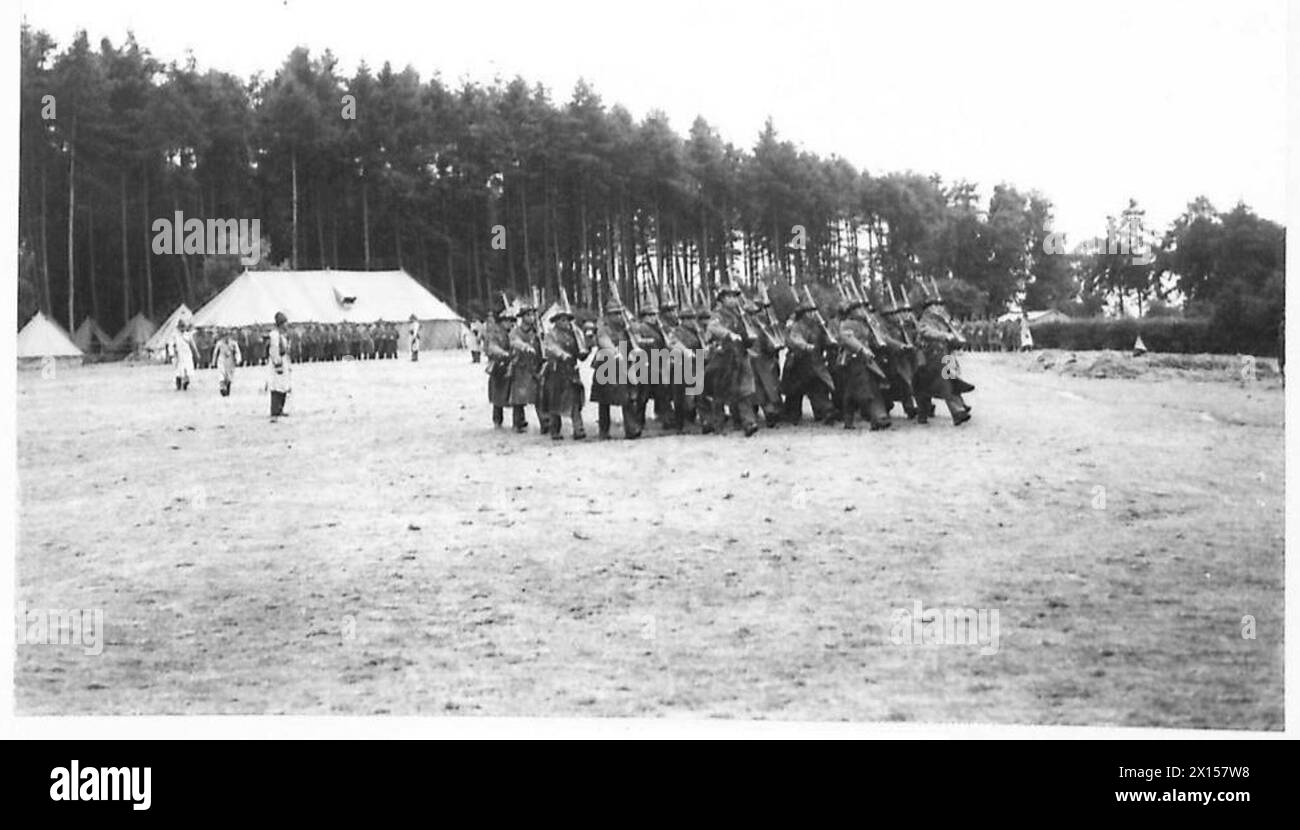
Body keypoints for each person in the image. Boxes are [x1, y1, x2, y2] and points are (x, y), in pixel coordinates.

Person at [703, 283, 759, 436]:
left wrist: (749, 338)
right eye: (730, 297)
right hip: (723, 357)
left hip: (740, 355)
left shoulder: (739, 315)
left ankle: (748, 423)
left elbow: (746, 333)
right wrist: (729, 334)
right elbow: (713, 328)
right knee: (719, 392)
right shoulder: (718, 315)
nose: (733, 300)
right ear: (722, 299)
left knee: (744, 391)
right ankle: (718, 425)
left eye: (735, 296)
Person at [540, 300, 591, 440]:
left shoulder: (575, 334)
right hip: (555, 372)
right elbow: (550, 347)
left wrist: (585, 350)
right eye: (561, 319)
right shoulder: (551, 334)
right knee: (555, 402)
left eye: (566, 320)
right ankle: (555, 430)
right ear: (555, 321)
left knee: (575, 400)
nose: (565, 322)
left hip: (571, 371)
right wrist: (562, 354)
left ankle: (578, 429)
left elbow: (581, 353)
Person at [781, 298, 836, 425]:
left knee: (817, 388)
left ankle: (826, 411)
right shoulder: (796, 326)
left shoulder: (817, 327)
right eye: (809, 312)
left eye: (812, 312)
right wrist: (805, 346)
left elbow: (825, 340)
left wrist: (831, 342)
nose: (812, 314)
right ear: (803, 314)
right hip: (798, 362)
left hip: (814, 363)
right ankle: (792, 414)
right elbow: (795, 339)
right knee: (794, 391)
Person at [485, 302, 515, 428]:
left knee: (513, 394)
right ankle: (497, 420)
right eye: (507, 321)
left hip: (511, 366)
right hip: (499, 366)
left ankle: (518, 421)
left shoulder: (512, 333)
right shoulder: (495, 333)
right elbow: (491, 347)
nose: (510, 323)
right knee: (497, 396)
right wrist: (503, 353)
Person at [268, 311, 293, 419]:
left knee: (283, 387)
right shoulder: (275, 335)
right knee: (276, 387)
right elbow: (274, 350)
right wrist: (277, 364)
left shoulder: (282, 335)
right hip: (278, 364)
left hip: (284, 362)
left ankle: (280, 408)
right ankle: (275, 410)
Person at [211, 329, 242, 397]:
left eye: (227, 335)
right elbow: (215, 353)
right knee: (221, 375)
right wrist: (213, 362)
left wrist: (238, 359)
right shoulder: (219, 343)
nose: (226, 337)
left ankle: (227, 389)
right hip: (221, 361)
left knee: (229, 377)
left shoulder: (234, 343)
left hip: (230, 362)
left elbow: (237, 352)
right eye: (224, 335)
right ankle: (222, 388)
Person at [172, 318, 197, 391]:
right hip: (179, 355)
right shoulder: (175, 336)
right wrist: (174, 353)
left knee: (187, 369)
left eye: (183, 327)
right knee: (179, 371)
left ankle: (186, 383)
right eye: (181, 327)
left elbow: (192, 344)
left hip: (187, 355)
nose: (182, 328)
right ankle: (178, 385)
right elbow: (173, 345)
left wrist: (196, 353)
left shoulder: (188, 335)